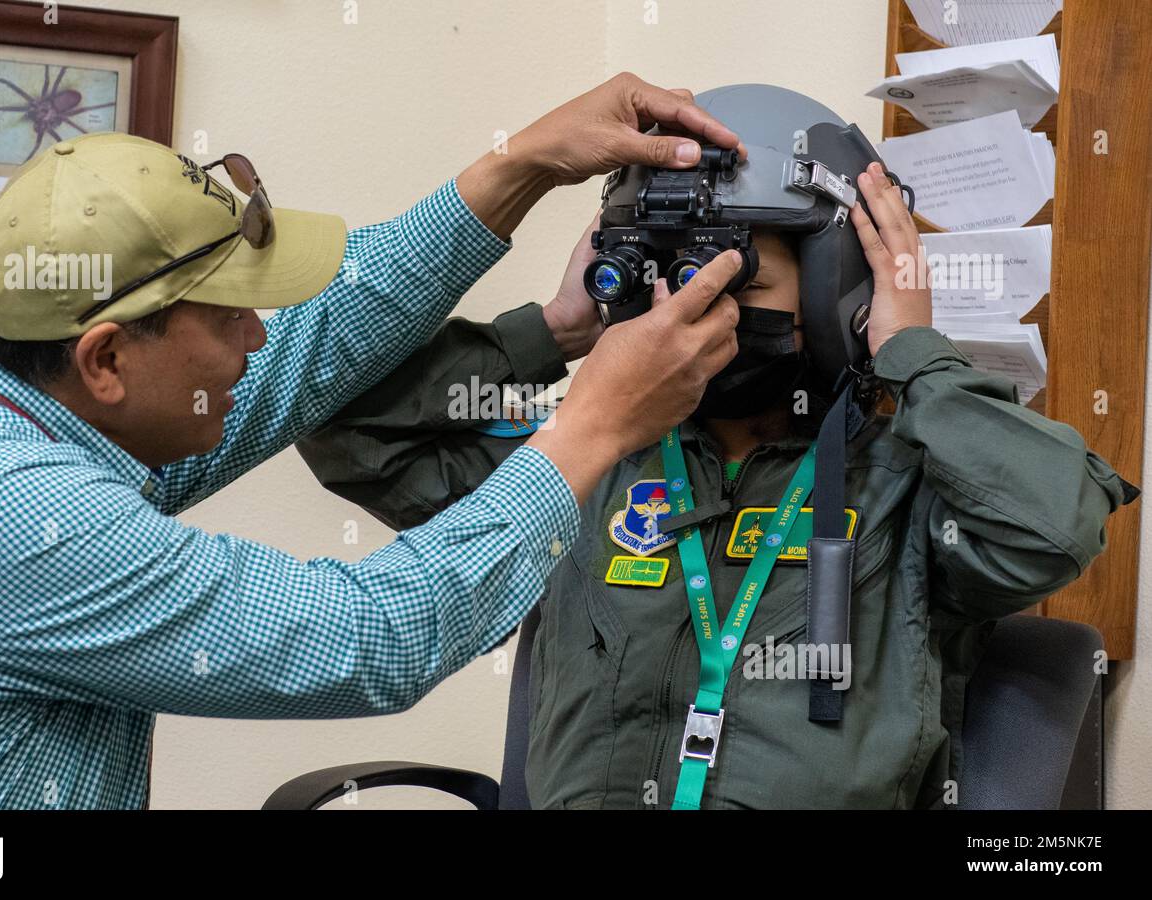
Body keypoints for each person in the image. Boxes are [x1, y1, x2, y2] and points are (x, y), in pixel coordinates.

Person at [0, 74, 750, 809]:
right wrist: (594, 423)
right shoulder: (19, 516)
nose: (257, 334)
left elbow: (316, 349)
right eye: (230, 312)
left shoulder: (3, 424)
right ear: (108, 360)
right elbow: (372, 638)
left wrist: (522, 167)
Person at [296, 163, 1140, 809]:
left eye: (734, 281)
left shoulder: (907, 483)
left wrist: (913, 355)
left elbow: (1052, 526)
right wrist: (557, 329)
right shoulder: (584, 459)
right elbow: (343, 426)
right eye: (664, 277)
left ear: (834, 287)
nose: (686, 308)